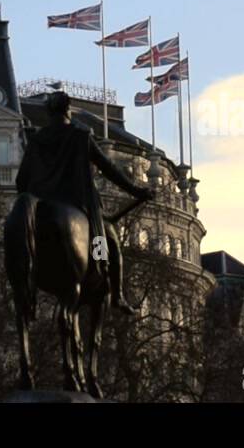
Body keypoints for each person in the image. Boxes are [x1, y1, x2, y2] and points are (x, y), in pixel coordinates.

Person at [15, 91, 153, 314]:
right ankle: (115, 291)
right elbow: (109, 169)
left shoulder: (37, 139)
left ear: (48, 112)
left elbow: (21, 179)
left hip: (41, 203)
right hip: (80, 202)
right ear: (68, 109)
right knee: (107, 238)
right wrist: (137, 190)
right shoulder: (80, 136)